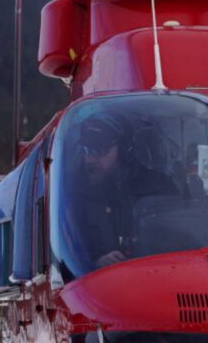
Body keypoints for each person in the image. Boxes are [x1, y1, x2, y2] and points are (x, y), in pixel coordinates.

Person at [74, 111, 178, 269]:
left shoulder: (158, 186)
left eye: (100, 151)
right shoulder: (75, 192)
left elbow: (180, 241)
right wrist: (96, 262)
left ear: (124, 152)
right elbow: (65, 254)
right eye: (88, 151)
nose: (91, 160)